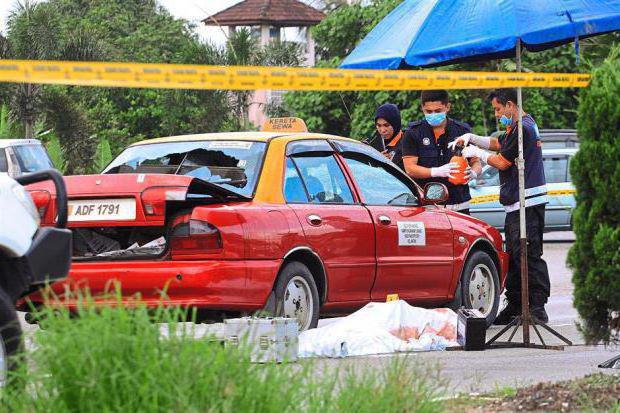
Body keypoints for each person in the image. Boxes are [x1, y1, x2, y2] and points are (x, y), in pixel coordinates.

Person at [452, 88, 550, 324]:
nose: (497, 114)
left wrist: (477, 153)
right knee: (516, 255)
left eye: (498, 109)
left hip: (527, 201)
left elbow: (503, 162)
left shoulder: (523, 129)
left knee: (529, 255)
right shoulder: (518, 127)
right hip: (517, 203)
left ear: (510, 105)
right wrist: (473, 138)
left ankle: (536, 307)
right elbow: (499, 144)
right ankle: (516, 305)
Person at [401, 90, 482, 214]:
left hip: (459, 204)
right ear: (422, 108)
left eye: (438, 111)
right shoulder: (413, 133)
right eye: (429, 111)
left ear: (447, 107)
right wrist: (436, 172)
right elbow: (410, 168)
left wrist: (473, 173)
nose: (433, 114)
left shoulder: (462, 131)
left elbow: (476, 163)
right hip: (429, 206)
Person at [366, 103, 405, 170]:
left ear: (395, 124)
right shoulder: (372, 143)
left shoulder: (407, 142)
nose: (383, 130)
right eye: (378, 125)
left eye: (386, 125)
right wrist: (377, 162)